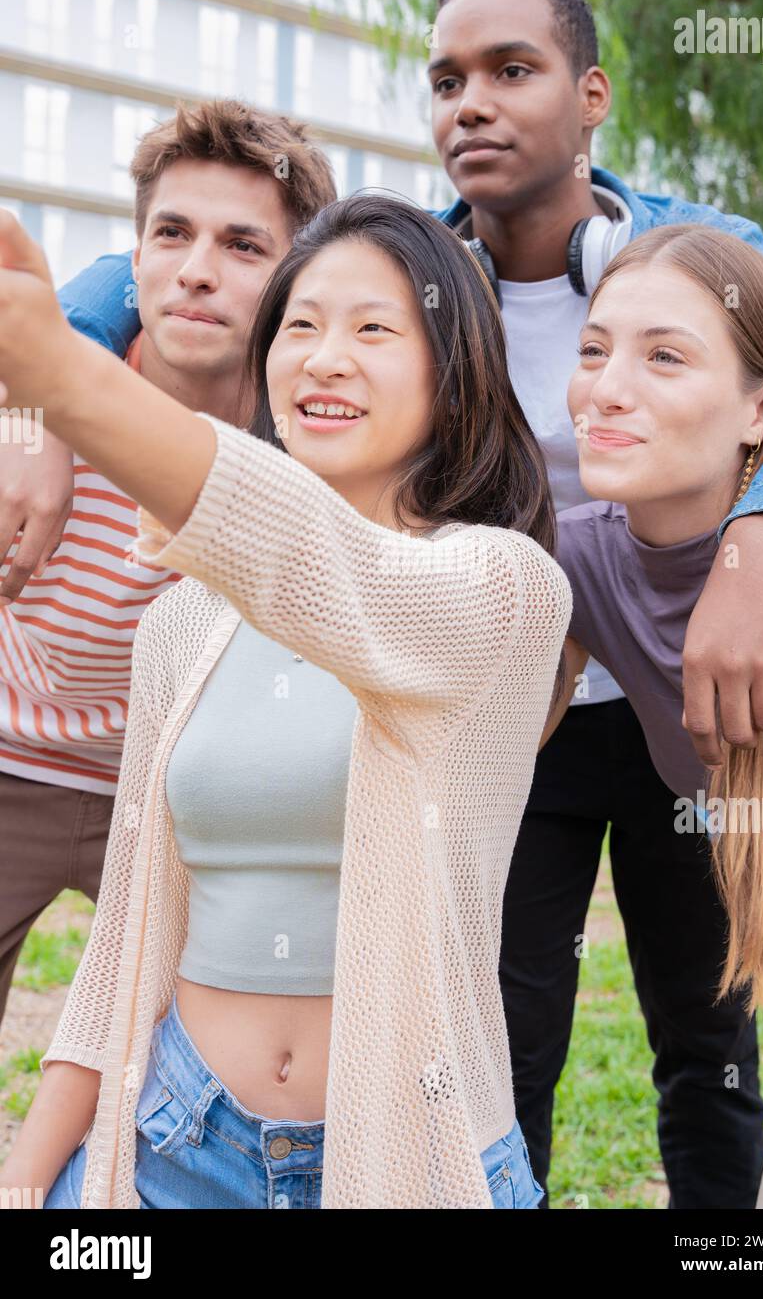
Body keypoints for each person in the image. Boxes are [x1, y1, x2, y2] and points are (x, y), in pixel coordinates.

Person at [0, 193, 571, 1209]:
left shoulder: (501, 589)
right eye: (298, 326)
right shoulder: (183, 623)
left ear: (455, 373)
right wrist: (32, 1171)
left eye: (372, 329)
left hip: (413, 1154)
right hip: (175, 1144)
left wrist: (66, 378)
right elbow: (127, 933)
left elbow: (329, 570)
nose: (323, 357)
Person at [424, 0, 763, 1207]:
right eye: (447, 80)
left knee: (705, 1037)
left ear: (591, 95)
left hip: (716, 691)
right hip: (549, 675)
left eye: (513, 71)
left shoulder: (702, 256)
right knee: (502, 1027)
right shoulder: (416, 280)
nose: (473, 103)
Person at [546, 220, 763, 1207]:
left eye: (664, 356)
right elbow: (484, 752)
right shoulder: (578, 561)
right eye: (593, 349)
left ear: (759, 408)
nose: (605, 386)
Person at [0, 98, 336, 1032]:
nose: (195, 272)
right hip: (9, 756)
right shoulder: (30, 397)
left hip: (175, 792)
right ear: (135, 252)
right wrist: (24, 414)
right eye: (172, 235)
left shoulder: (310, 440)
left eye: (242, 246)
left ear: (293, 275)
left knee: (185, 1064)